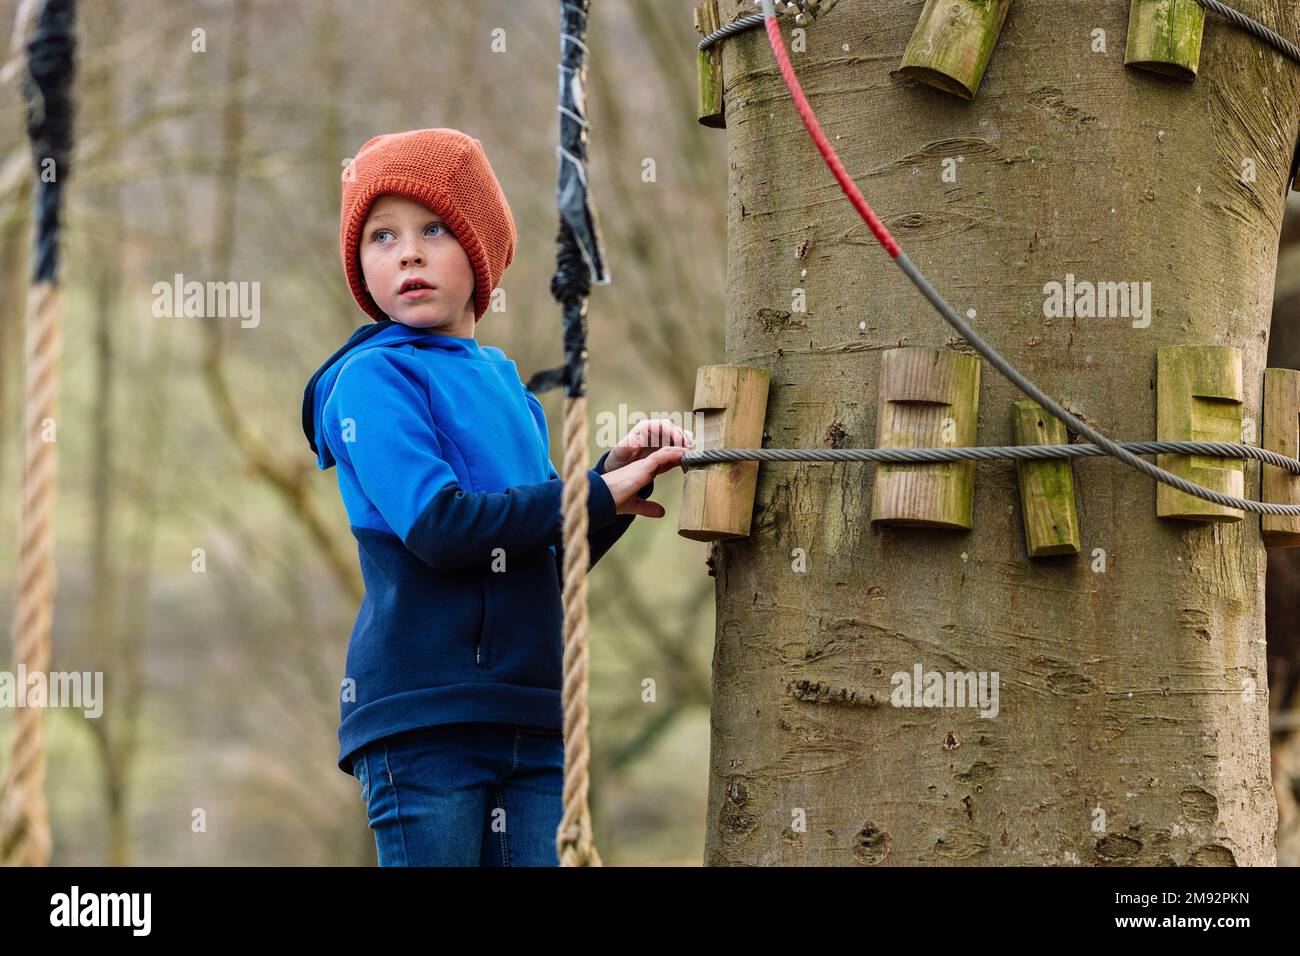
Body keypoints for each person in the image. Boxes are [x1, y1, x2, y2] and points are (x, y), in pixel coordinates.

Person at [301, 128, 690, 865]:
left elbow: (535, 551)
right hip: (428, 721)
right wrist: (590, 496)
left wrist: (613, 479)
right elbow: (443, 528)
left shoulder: (508, 386)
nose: (407, 253)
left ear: (480, 251)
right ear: (361, 266)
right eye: (381, 237)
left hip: (534, 716)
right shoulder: (371, 382)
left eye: (433, 229)